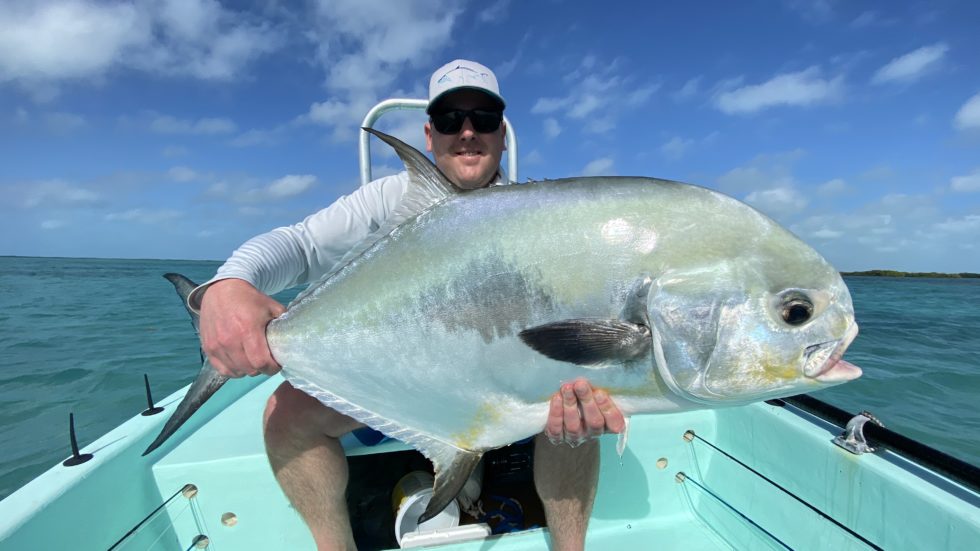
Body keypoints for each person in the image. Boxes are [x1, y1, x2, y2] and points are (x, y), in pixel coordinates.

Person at [188, 59, 626, 551]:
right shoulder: (385, 201)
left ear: (501, 133)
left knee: (576, 406)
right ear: (429, 134)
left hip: (505, 391)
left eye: (482, 119)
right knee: (285, 415)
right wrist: (227, 286)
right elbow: (300, 246)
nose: (466, 132)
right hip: (402, 384)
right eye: (449, 120)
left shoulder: (535, 216)